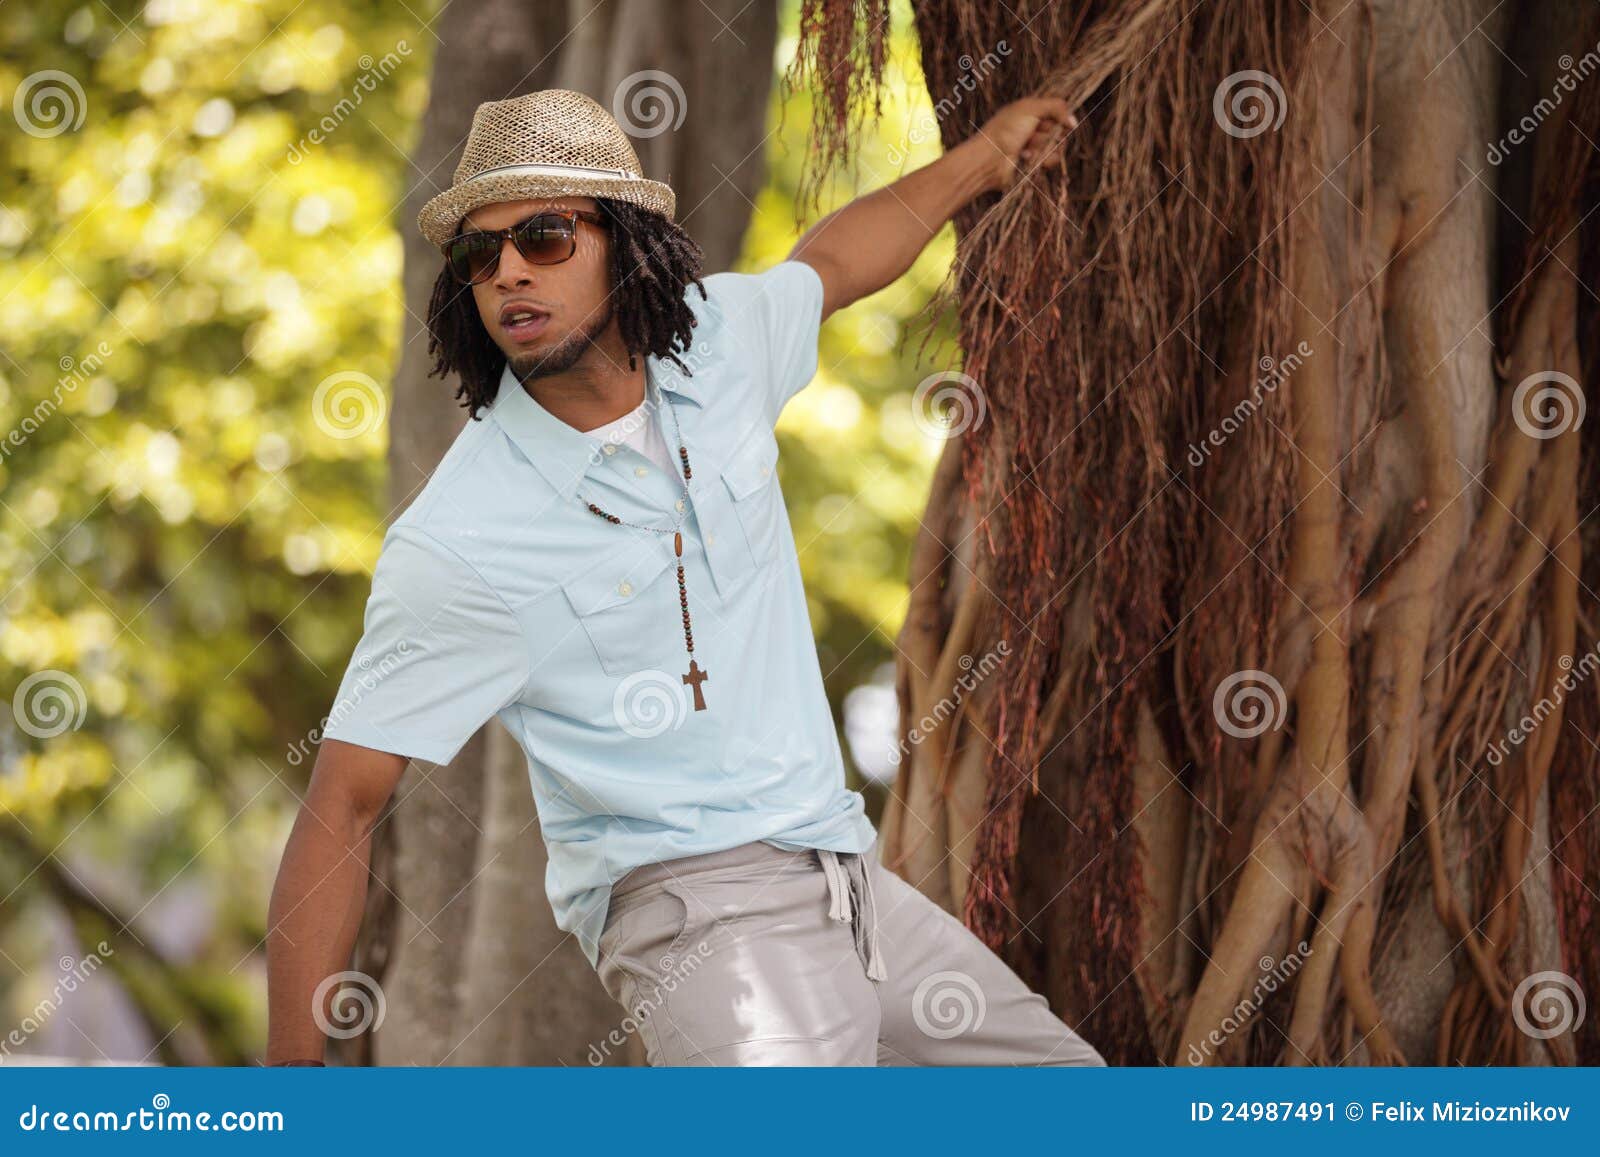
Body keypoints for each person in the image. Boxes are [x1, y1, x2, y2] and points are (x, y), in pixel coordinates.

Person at [267, 87, 1103, 1067]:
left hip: (848, 881)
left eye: (542, 236)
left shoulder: (717, 345)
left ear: (624, 243)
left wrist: (985, 158)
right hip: (696, 918)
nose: (506, 273)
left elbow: (829, 266)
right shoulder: (461, 539)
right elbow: (344, 803)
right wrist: (290, 1086)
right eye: (477, 254)